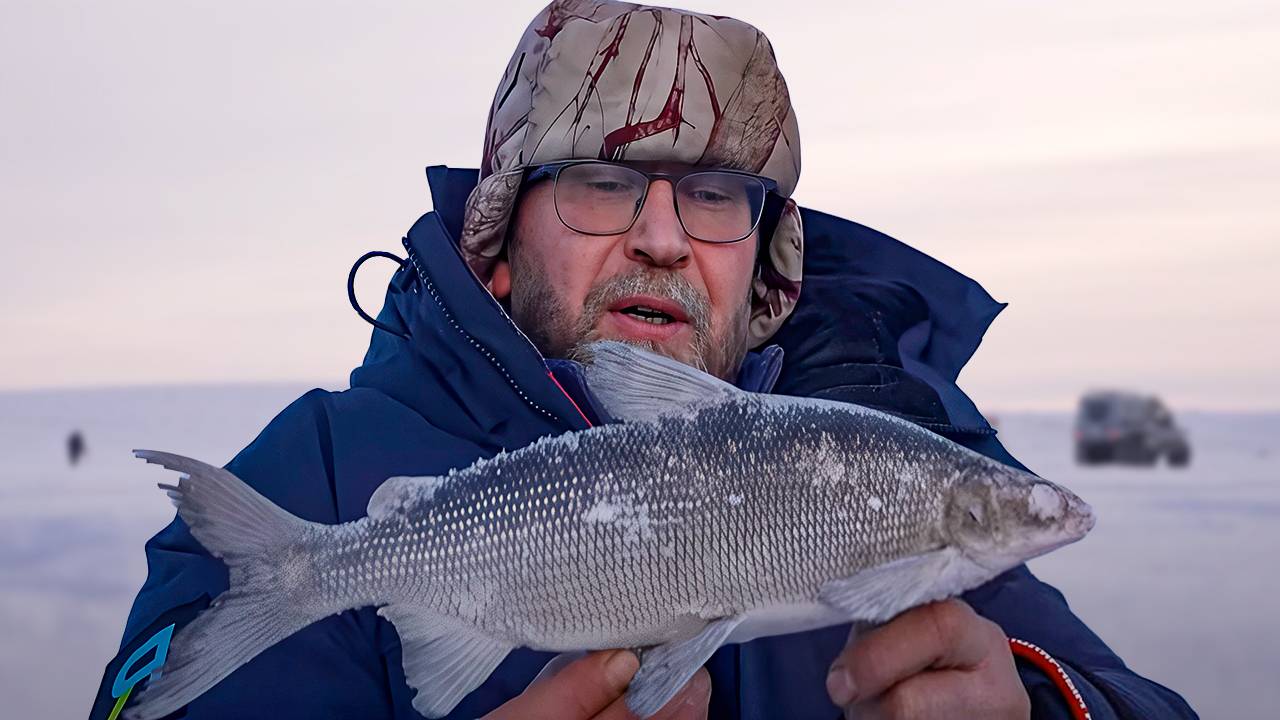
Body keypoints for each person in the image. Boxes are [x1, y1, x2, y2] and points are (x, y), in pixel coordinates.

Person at [91, 2, 1197, 719]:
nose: (662, 237)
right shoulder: (315, 473)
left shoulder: (875, 470)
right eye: (601, 181)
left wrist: (1044, 705)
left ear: (762, 259)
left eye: (713, 195)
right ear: (498, 242)